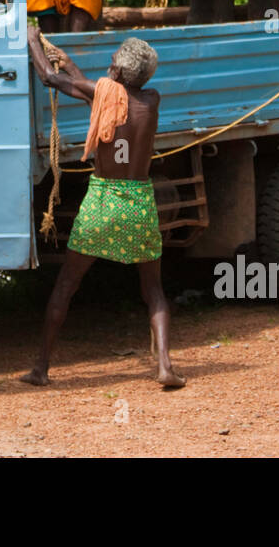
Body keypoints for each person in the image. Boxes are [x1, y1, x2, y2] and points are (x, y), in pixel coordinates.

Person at [20, 26, 185, 388]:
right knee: (153, 290)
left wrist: (31, 39)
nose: (108, 66)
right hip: (139, 203)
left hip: (103, 203)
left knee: (67, 284)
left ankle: (41, 370)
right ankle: (165, 367)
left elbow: (49, 78)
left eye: (112, 63)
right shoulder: (152, 99)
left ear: (120, 73)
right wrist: (71, 63)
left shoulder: (104, 93)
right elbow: (100, 94)